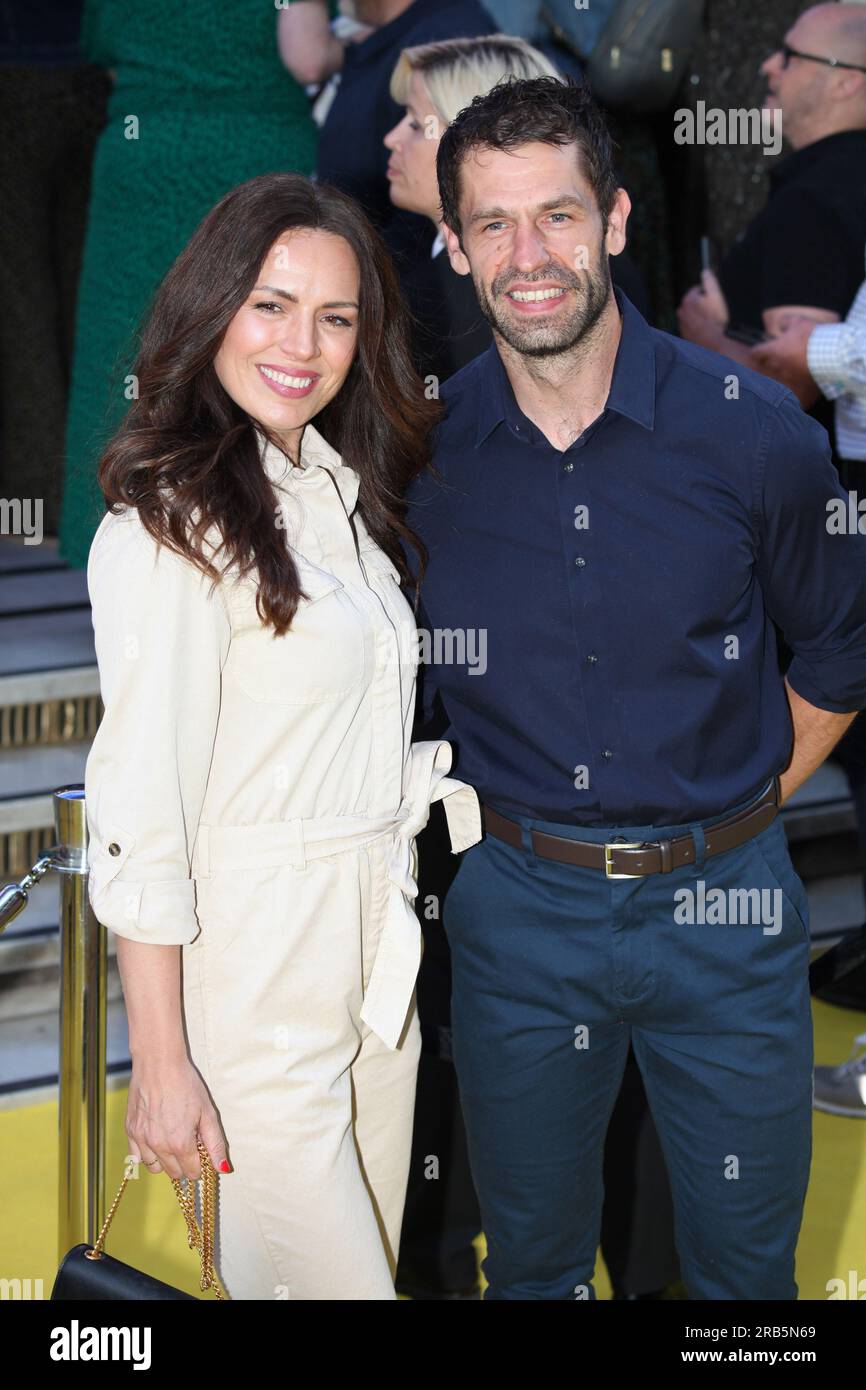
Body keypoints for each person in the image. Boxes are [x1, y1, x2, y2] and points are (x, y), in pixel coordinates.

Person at [405, 74, 866, 1299]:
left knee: (742, 1280)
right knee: (535, 1269)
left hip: (727, 909)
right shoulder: (425, 454)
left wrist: (737, 802)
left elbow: (834, 648)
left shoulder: (755, 433)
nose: (527, 257)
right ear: (450, 244)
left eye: (555, 216)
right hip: (514, 910)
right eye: (491, 224)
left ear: (613, 220)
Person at [83, 172, 482, 1300]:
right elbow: (140, 818)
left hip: (373, 964)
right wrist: (162, 1067)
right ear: (211, 308)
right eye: (270, 303)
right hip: (250, 987)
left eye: (336, 316)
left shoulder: (331, 493)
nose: (302, 343)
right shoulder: (166, 524)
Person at [384, 32, 674, 1302]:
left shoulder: (500, 342)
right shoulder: (416, 343)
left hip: (510, 828)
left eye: (407, 121)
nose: (385, 145)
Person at [58, 0, 320, 571]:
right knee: (257, 336)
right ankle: (248, 538)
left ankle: (114, 542)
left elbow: (101, 47)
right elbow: (307, 57)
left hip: (144, 153)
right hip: (255, 153)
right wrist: (350, 47)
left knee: (125, 340)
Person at [677, 3, 866, 465]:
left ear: (847, 81)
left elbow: (791, 392)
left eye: (789, 56)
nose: (768, 66)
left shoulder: (814, 202)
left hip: (811, 502)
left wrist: (710, 341)